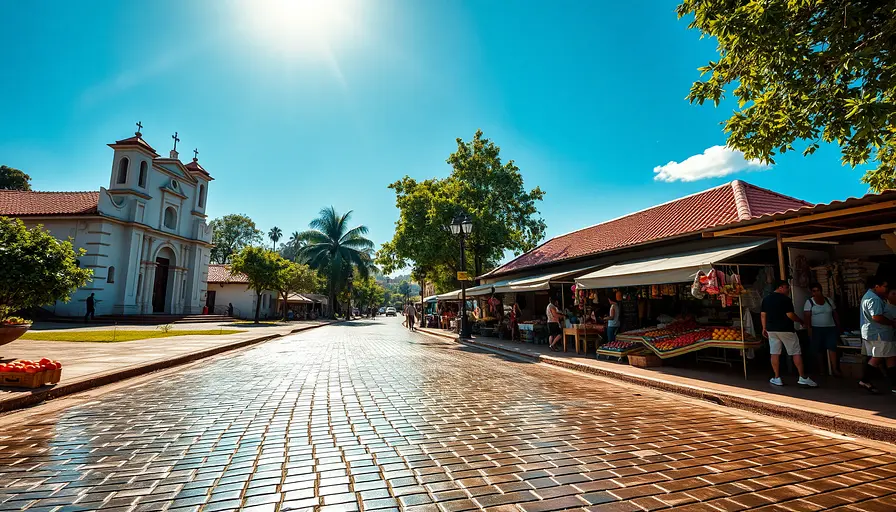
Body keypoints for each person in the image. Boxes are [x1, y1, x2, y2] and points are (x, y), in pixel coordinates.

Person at [762, 280, 815, 387]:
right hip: (786, 329)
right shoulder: (786, 299)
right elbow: (790, 314)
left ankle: (777, 377)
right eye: (787, 288)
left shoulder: (766, 299)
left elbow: (763, 315)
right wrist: (800, 321)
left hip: (771, 329)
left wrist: (764, 328)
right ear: (780, 287)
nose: (788, 290)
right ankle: (802, 377)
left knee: (774, 353)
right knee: (796, 352)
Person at [859, 277, 896, 393]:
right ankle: (865, 380)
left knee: (890, 357)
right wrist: (892, 323)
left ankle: (894, 384)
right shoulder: (874, 299)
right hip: (879, 333)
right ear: (876, 286)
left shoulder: (870, 296)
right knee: (877, 357)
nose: (886, 289)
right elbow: (876, 317)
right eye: (884, 286)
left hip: (878, 332)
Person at [804, 282, 842, 377]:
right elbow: (807, 317)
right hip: (816, 328)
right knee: (819, 349)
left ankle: (834, 369)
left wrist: (838, 325)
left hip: (830, 327)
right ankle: (822, 369)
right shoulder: (809, 302)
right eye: (814, 291)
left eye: (818, 290)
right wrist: (809, 329)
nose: (816, 293)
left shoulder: (828, 300)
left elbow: (835, 313)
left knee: (832, 347)